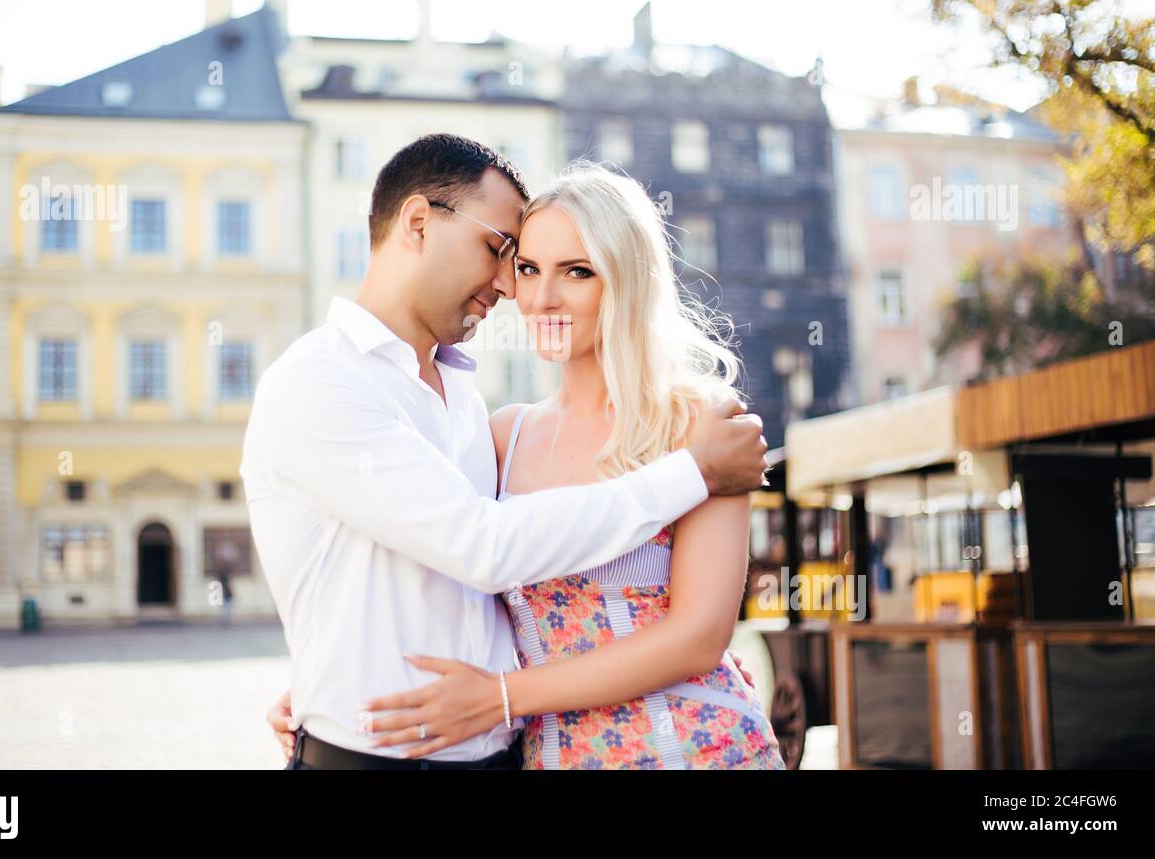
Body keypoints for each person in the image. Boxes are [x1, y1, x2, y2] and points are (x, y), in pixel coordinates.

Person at [241, 134, 769, 770]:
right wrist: (336, 684)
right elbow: (482, 547)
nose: (521, 291)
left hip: (666, 748)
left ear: (625, 279)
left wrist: (488, 695)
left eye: (577, 270)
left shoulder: (471, 404)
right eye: (514, 259)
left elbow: (694, 638)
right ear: (417, 223)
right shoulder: (344, 388)